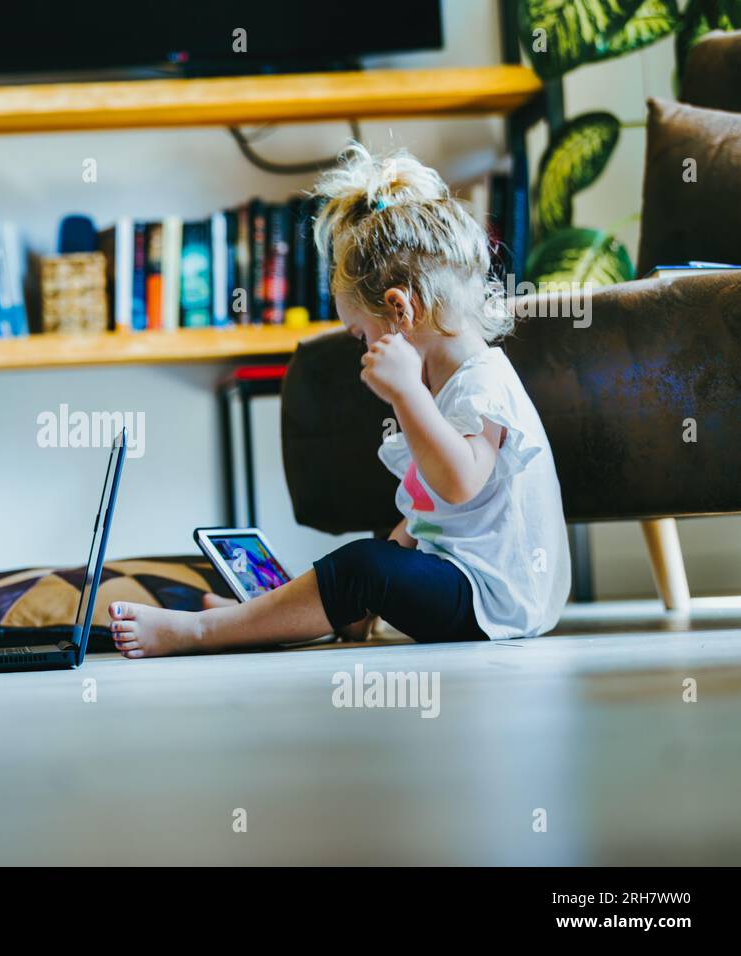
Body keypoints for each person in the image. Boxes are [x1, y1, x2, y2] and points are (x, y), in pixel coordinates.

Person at [109, 144, 570, 657]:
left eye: (360, 333)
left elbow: (460, 482)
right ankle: (264, 618)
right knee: (369, 562)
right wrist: (365, 601)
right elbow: (429, 518)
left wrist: (407, 393)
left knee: (362, 566)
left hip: (494, 603)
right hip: (472, 590)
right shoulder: (451, 385)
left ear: (400, 310)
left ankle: (200, 633)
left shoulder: (481, 383)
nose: (362, 347)